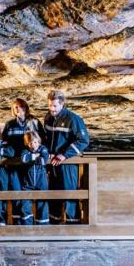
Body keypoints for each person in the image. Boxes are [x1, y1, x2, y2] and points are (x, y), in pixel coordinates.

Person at [43, 90, 90, 223]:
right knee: (54, 193)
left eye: (55, 106)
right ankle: (54, 223)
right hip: (52, 163)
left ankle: (72, 225)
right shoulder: (48, 117)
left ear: (62, 104)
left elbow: (83, 140)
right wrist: (47, 153)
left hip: (68, 163)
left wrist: (64, 155)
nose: (52, 109)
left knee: (70, 193)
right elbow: (46, 138)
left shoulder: (73, 119)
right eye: (50, 105)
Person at [3, 99, 42, 223]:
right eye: (15, 107)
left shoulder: (35, 122)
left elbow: (42, 141)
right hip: (14, 165)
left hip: (29, 165)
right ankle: (17, 225)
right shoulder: (9, 124)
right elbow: (4, 142)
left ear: (26, 108)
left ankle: (28, 225)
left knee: (29, 195)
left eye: (20, 106)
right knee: (16, 194)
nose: (18, 109)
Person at [20, 131, 50, 225]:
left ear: (39, 141)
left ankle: (42, 226)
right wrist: (35, 155)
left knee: (42, 203)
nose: (33, 145)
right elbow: (24, 159)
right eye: (30, 143)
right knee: (25, 204)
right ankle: (27, 227)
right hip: (28, 182)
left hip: (41, 181)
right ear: (27, 144)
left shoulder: (43, 149)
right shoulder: (25, 151)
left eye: (35, 142)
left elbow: (43, 160)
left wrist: (31, 158)